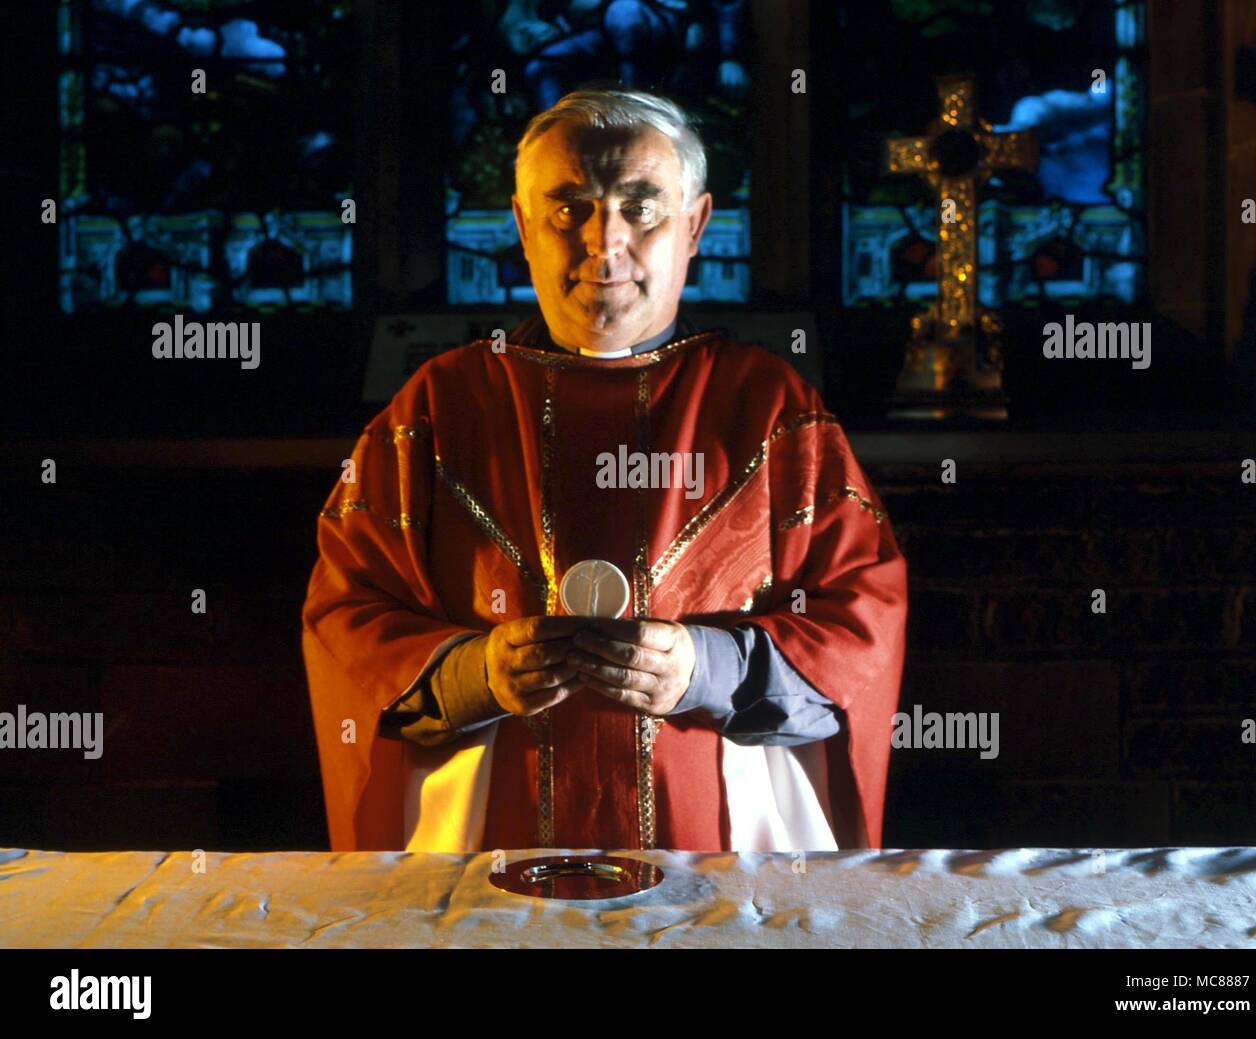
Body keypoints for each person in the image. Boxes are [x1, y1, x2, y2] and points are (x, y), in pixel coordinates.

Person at [302, 87, 907, 853]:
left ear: (695, 226)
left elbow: (863, 626)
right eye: (569, 207)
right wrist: (476, 674)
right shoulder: (437, 407)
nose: (604, 241)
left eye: (641, 205)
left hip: (718, 857)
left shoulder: (770, 409)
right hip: (485, 858)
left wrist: (708, 666)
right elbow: (344, 616)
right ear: (521, 228)